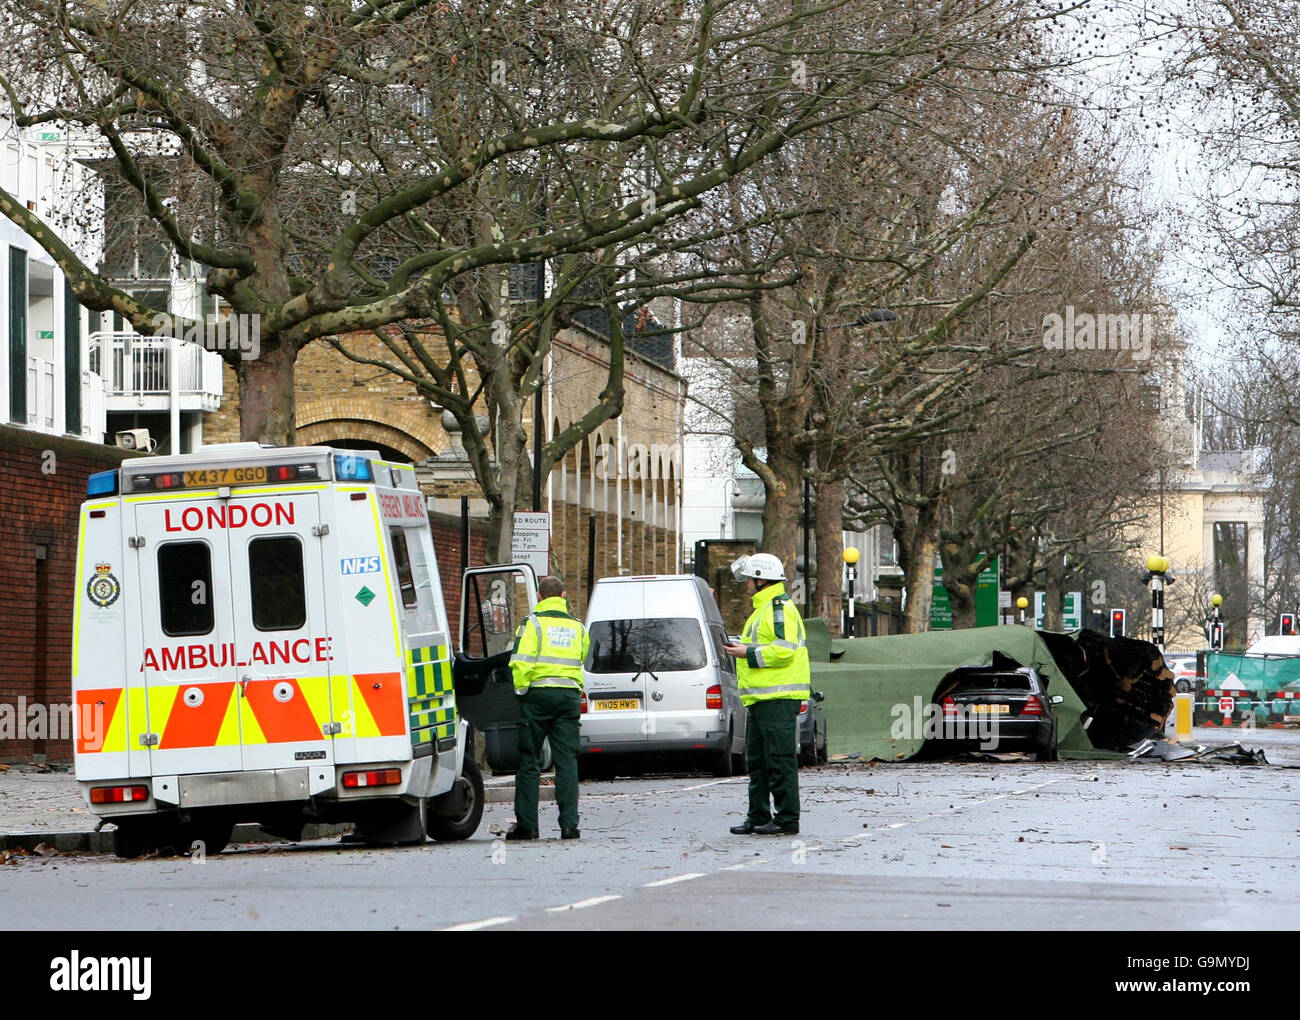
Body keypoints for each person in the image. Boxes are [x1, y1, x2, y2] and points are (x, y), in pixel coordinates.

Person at [722, 553, 811, 835]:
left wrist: (746, 652)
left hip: (777, 699)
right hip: (762, 700)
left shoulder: (778, 609)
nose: (746, 584)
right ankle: (758, 815)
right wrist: (743, 648)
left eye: (749, 578)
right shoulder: (765, 608)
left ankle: (786, 819)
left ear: (761, 579)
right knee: (759, 762)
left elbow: (784, 651)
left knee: (779, 760)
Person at [505, 575, 591, 841]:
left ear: (540, 597)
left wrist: (521, 694)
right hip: (568, 697)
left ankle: (528, 826)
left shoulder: (532, 623)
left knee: (529, 761)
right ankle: (569, 826)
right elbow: (582, 655)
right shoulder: (578, 627)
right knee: (566, 761)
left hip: (538, 697)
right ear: (564, 596)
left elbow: (520, 662)